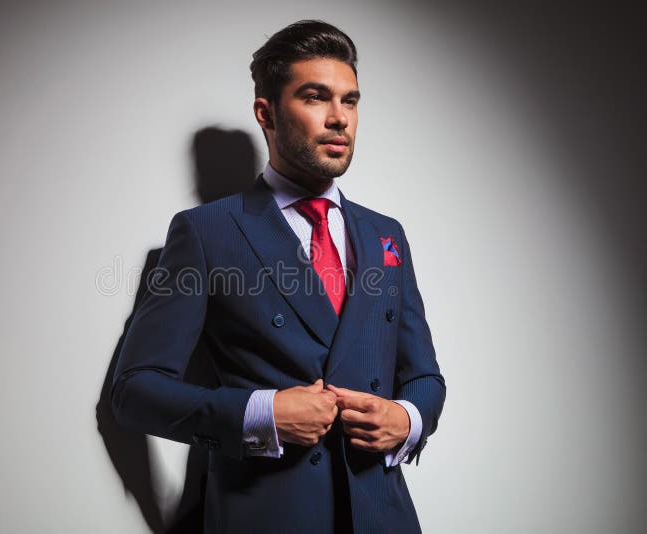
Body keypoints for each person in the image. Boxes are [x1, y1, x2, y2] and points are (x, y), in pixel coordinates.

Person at [111, 20, 445, 534]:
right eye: (315, 97)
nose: (339, 118)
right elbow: (135, 391)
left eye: (350, 101)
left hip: (382, 516)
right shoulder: (206, 232)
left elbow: (423, 376)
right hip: (267, 515)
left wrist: (408, 419)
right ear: (266, 113)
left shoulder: (386, 234)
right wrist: (260, 414)